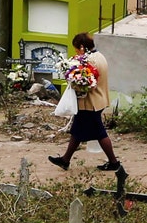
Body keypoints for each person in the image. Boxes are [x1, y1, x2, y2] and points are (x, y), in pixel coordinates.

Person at [49, 32, 120, 173]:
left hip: (90, 102)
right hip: (98, 100)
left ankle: (114, 162)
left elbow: (86, 83)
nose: (76, 52)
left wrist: (73, 81)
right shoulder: (99, 56)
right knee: (77, 130)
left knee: (99, 133)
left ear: (82, 47)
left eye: (76, 49)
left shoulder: (89, 61)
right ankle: (65, 159)